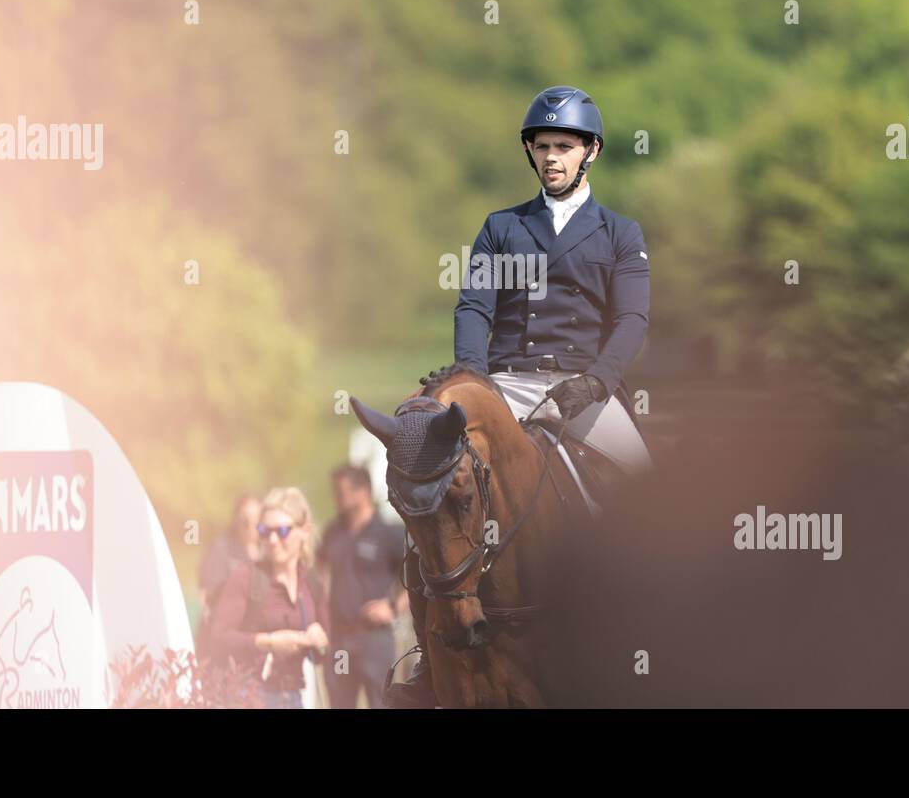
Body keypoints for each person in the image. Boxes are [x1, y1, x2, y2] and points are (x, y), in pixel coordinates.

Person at [388, 84, 653, 708]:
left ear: (590, 152)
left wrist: (596, 381)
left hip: (583, 388)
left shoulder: (620, 233)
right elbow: (475, 307)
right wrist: (474, 384)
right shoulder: (502, 228)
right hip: (502, 384)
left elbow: (632, 323)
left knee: (649, 486)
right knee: (433, 502)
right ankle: (430, 660)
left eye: (564, 146)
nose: (552, 157)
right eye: (542, 147)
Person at [210, 487, 329, 708]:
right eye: (265, 531)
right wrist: (269, 642)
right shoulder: (245, 577)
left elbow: (323, 654)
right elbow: (217, 638)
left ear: (305, 531)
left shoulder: (312, 582)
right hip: (250, 696)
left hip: (293, 697)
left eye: (282, 531)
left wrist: (318, 640)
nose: (272, 540)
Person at [317, 464, 407, 708]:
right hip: (339, 641)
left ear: (363, 492)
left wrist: (393, 607)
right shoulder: (332, 532)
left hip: (374, 639)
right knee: (339, 704)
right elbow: (317, 572)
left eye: (342, 492)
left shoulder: (389, 533)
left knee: (380, 703)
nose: (336, 497)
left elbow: (417, 577)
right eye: (335, 491)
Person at [195, 492, 261, 661]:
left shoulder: (269, 552)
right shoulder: (220, 549)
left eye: (255, 521)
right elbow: (206, 596)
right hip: (221, 645)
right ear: (235, 519)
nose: (249, 526)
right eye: (244, 520)